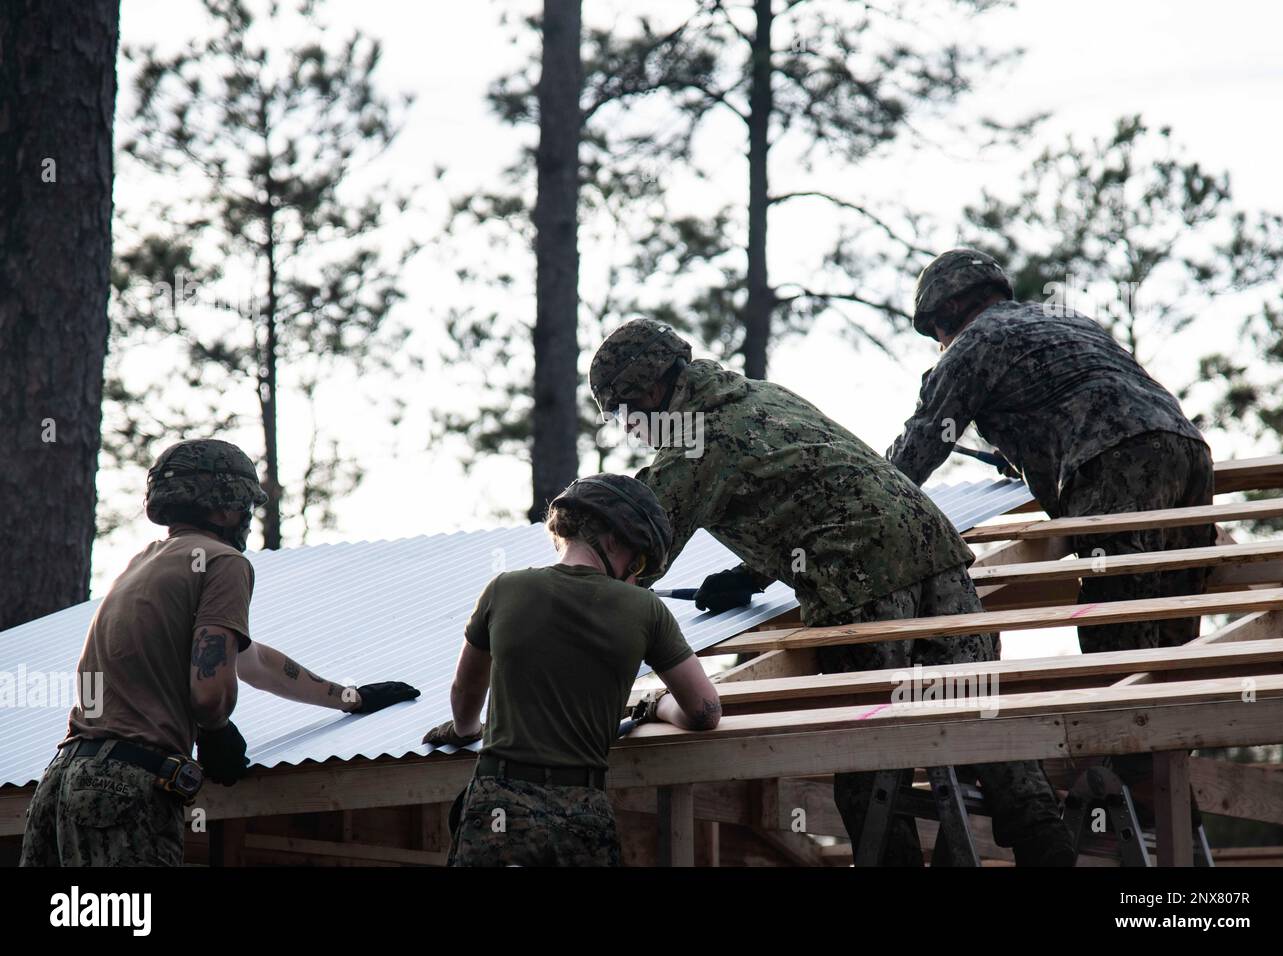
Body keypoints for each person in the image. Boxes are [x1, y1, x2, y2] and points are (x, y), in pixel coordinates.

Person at [588, 319, 1075, 866]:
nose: (631, 430)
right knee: (982, 721)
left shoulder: (692, 442)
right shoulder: (762, 396)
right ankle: (1047, 842)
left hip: (860, 582)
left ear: (652, 391)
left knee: (869, 770)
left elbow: (630, 551)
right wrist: (752, 575)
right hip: (940, 558)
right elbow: (823, 485)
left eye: (626, 415)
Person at [20, 438, 419, 867]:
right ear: (225, 506)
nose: (247, 518)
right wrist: (215, 730)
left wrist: (348, 697)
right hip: (123, 791)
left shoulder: (145, 563)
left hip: (62, 782)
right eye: (246, 506)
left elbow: (250, 660)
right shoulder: (223, 561)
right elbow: (210, 688)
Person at [886, 249, 1216, 655]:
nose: (940, 343)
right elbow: (1078, 391)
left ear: (951, 306)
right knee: (1175, 636)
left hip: (1115, 461)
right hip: (1188, 451)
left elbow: (920, 445)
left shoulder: (975, 341)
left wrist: (871, 491)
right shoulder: (1065, 319)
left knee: (1118, 638)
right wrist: (1032, 456)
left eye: (937, 331)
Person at [423, 474, 721, 866]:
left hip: (499, 804)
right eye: (640, 561)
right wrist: (657, 706)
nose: (637, 577)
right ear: (613, 540)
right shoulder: (646, 610)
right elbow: (705, 711)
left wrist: (466, 730)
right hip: (582, 814)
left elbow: (465, 690)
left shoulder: (504, 588)